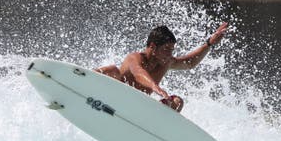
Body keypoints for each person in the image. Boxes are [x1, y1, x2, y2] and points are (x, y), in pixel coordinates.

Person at [94, 23, 229, 112]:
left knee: (177, 102)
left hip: (136, 109)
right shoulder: (135, 58)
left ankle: (159, 130)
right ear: (152, 46)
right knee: (111, 70)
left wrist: (209, 43)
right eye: (166, 49)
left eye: (172, 49)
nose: (170, 54)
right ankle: (79, 80)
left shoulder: (166, 62)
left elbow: (190, 62)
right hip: (113, 98)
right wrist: (156, 88)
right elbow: (139, 73)